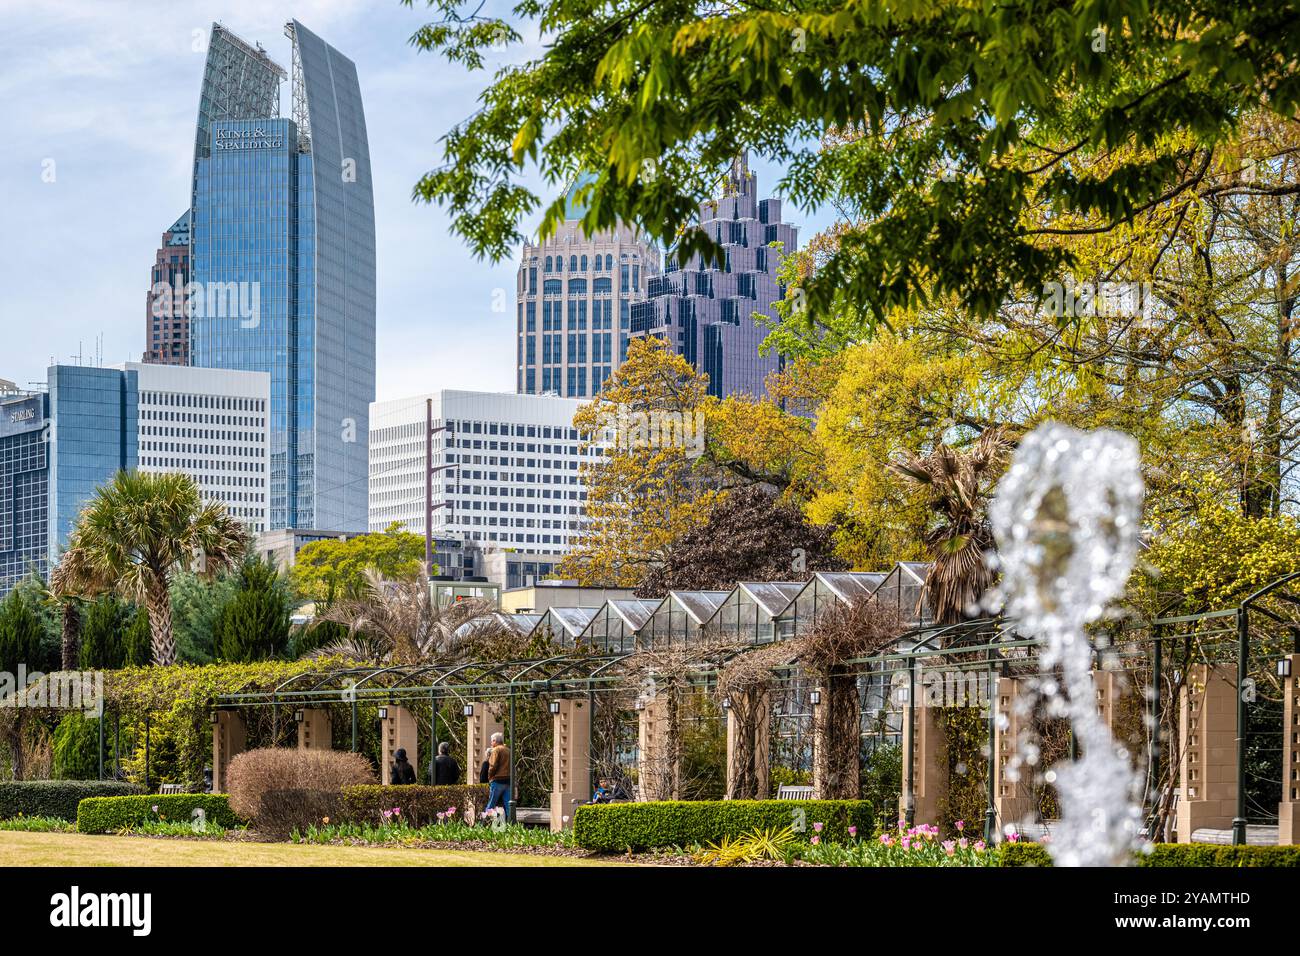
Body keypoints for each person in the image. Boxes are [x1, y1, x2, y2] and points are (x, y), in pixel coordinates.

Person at [484, 732, 511, 813]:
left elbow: (492, 766)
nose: (491, 743)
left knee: (491, 804)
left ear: (495, 741)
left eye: (492, 741)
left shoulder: (496, 750)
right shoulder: (508, 750)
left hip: (497, 780)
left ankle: (483, 823)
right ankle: (512, 824)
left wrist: (490, 777)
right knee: (508, 806)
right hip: (508, 781)